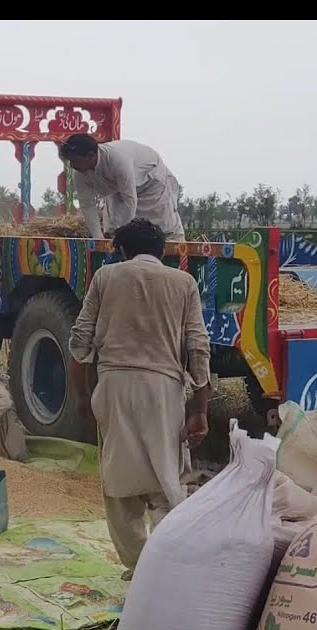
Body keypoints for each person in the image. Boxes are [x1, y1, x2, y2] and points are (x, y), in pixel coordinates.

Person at [68, 217, 213, 580]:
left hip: (115, 386)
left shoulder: (106, 277)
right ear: (162, 251)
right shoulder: (184, 283)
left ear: (120, 250)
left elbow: (80, 342)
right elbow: (198, 348)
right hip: (163, 391)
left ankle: (137, 564)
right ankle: (166, 566)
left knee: (118, 480)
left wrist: (84, 395)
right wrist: (200, 410)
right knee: (167, 477)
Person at [59, 133, 186, 243]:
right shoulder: (80, 174)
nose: (72, 165)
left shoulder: (118, 160)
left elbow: (130, 200)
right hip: (119, 193)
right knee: (113, 232)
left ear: (90, 155)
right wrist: (98, 239)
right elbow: (88, 206)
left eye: (75, 160)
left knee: (163, 231)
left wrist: (125, 236)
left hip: (151, 187)